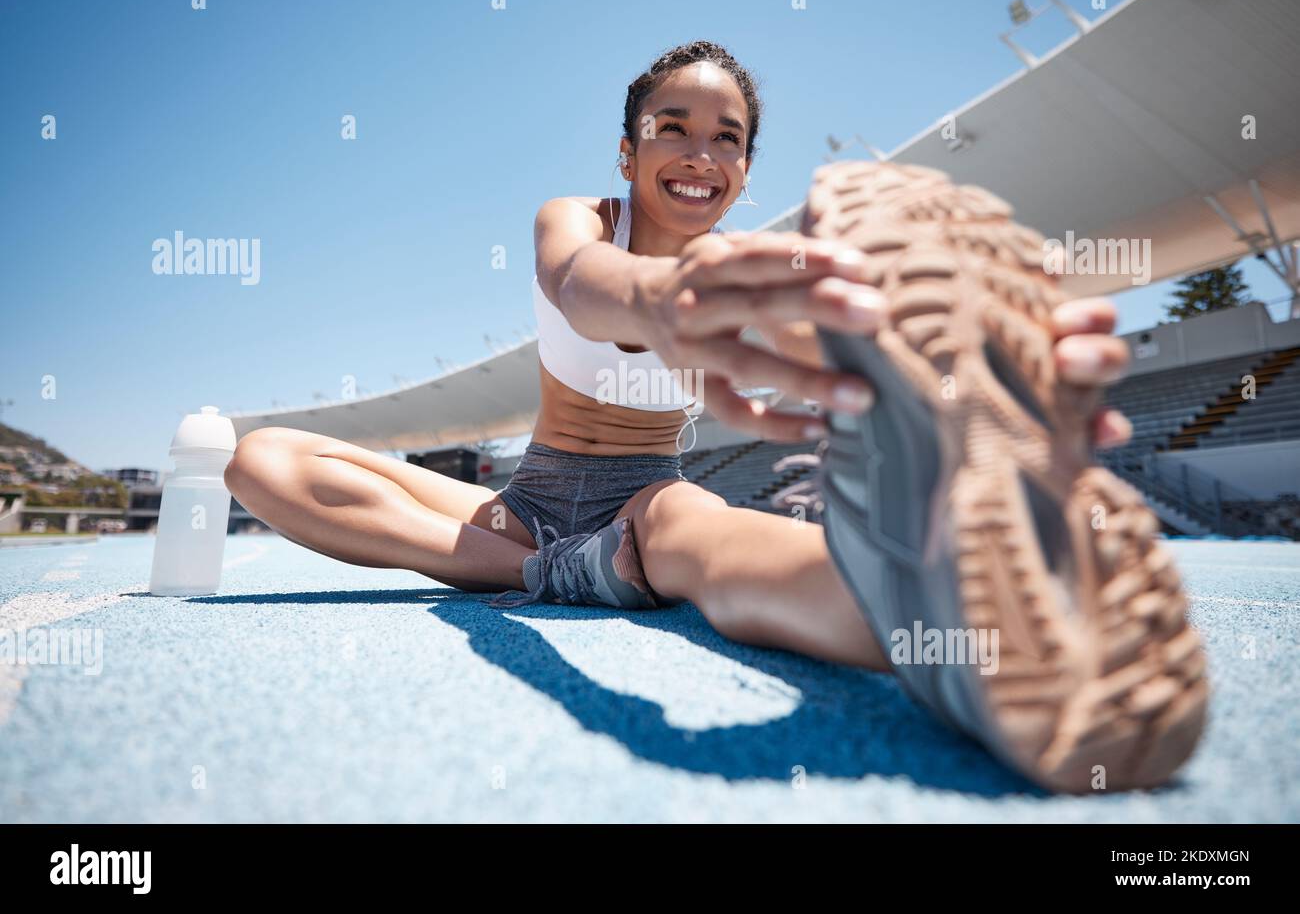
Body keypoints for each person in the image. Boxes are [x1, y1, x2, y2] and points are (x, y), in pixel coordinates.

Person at [225, 40, 1206, 793]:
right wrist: (659, 302)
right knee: (259, 461)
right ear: (627, 148)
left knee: (705, 539)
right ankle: (544, 575)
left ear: (743, 170)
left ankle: (936, 607)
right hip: (522, 508)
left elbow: (861, 357)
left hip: (640, 507)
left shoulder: (766, 272)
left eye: (726, 137)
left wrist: (974, 377)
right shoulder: (578, 222)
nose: (699, 153)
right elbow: (580, 286)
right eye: (673, 127)